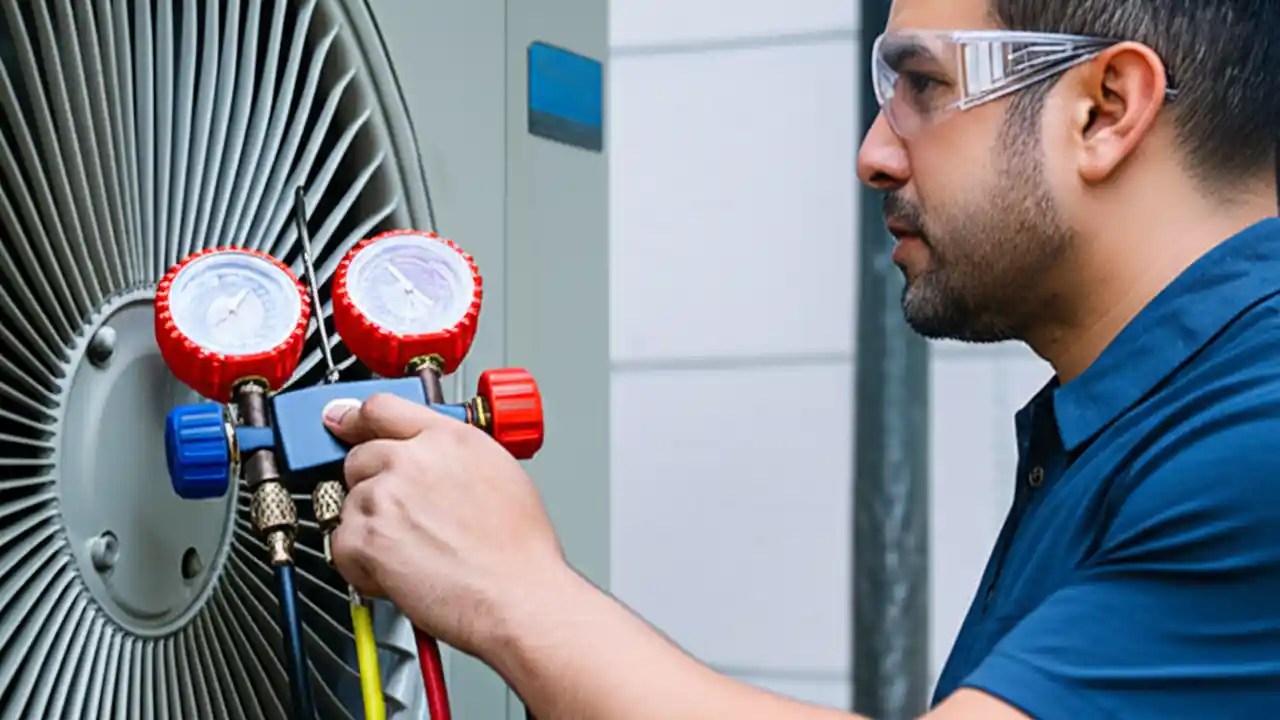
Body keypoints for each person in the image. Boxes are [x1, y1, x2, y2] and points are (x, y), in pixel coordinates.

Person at [322, 0, 1280, 716]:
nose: (874, 152)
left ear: (1104, 110)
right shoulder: (1161, 410)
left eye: (924, 86)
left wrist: (511, 591)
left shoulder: (1257, 438)